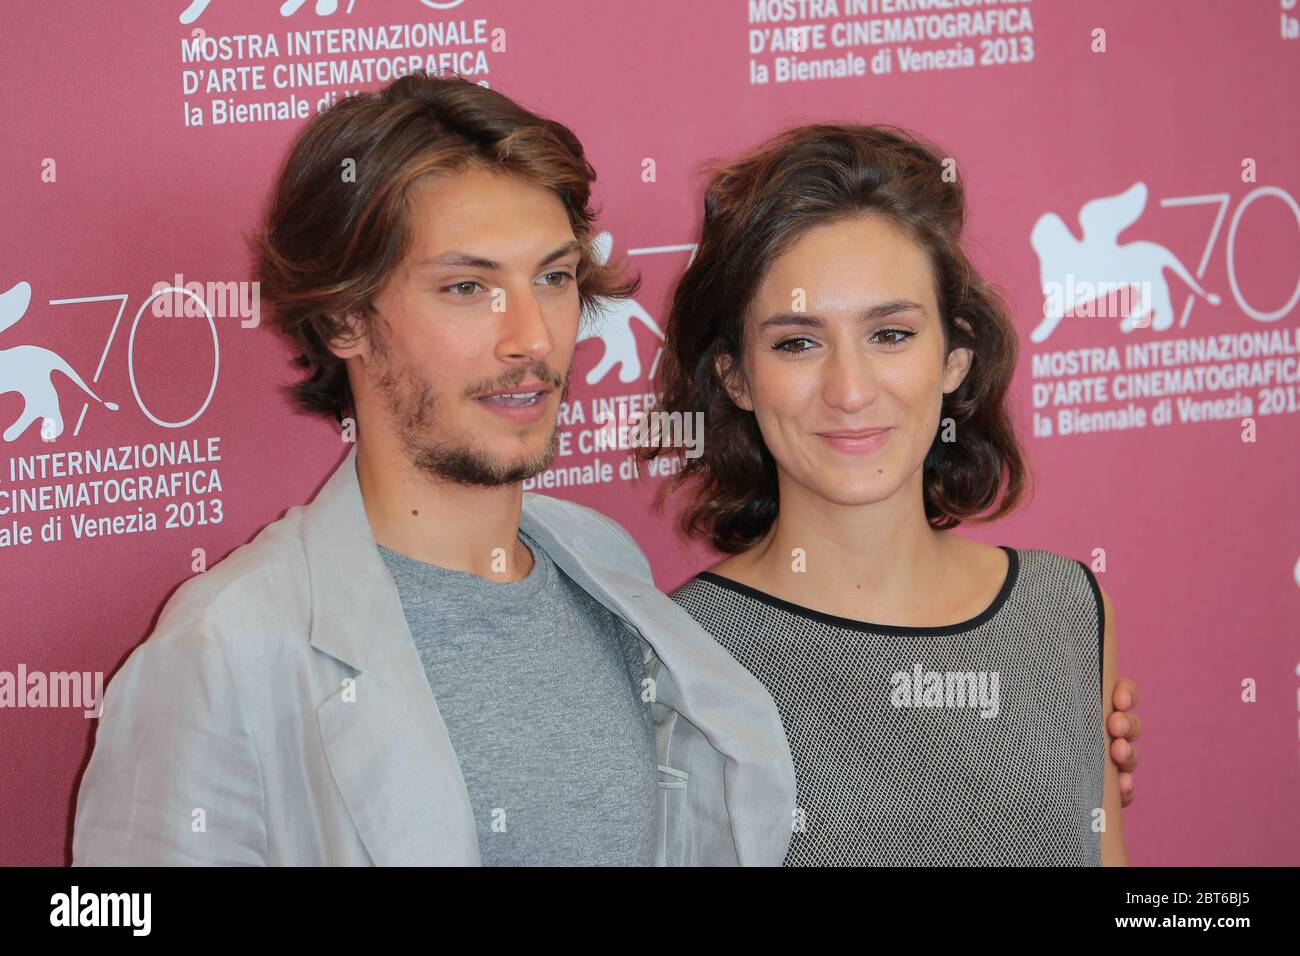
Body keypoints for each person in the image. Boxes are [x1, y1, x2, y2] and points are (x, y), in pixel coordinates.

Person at [70, 73, 797, 866]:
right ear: (346, 317)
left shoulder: (602, 563)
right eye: (466, 287)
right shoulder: (223, 654)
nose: (532, 338)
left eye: (553, 278)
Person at [644, 123, 1138, 865]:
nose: (849, 391)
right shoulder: (682, 657)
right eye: (798, 343)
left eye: (891, 335)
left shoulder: (1065, 609)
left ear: (954, 357)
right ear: (735, 377)